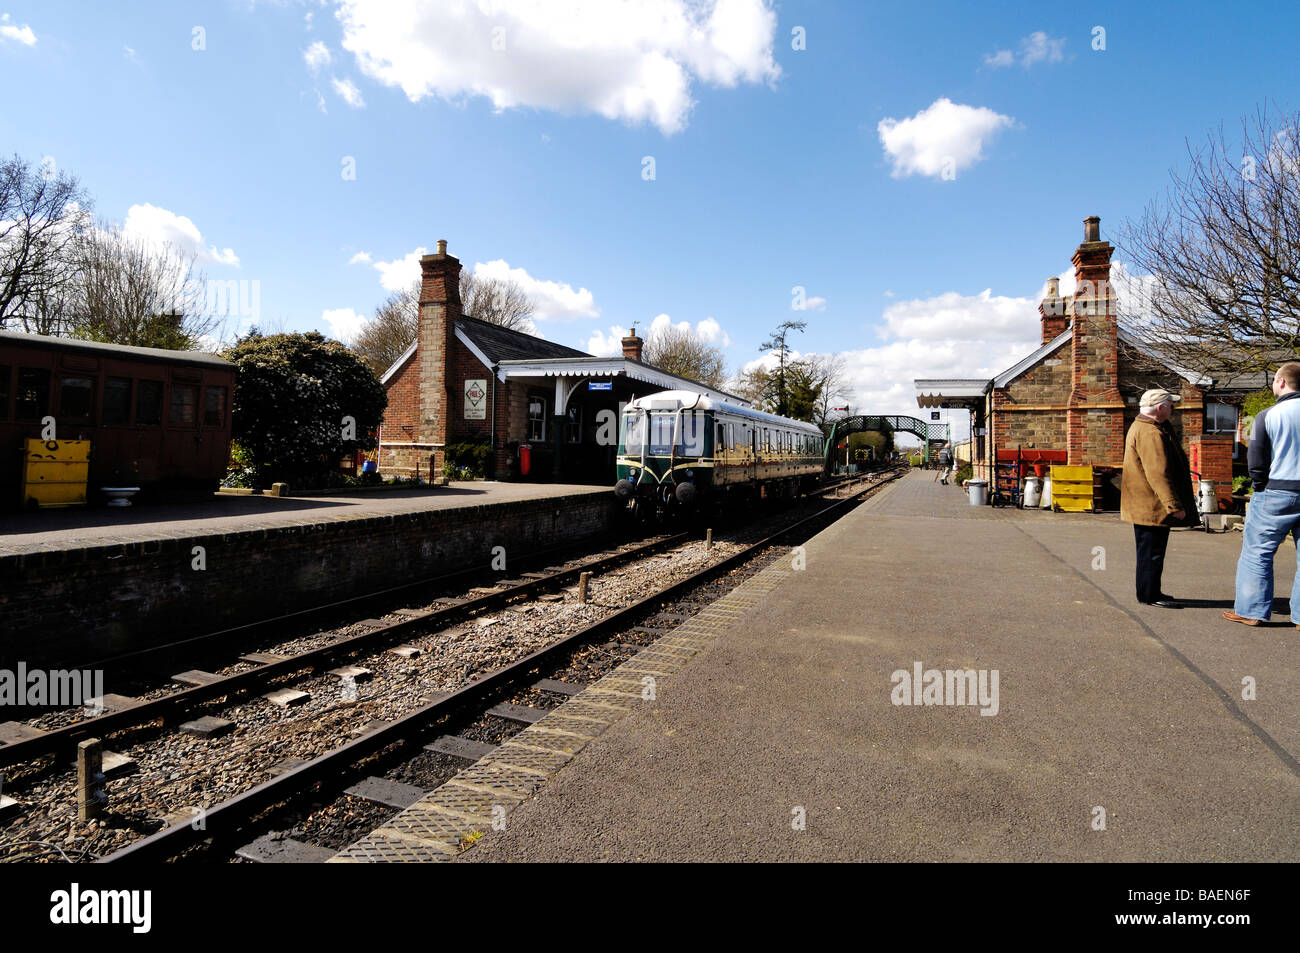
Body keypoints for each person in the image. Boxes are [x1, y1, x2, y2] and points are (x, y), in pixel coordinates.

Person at [1224, 362, 1300, 626]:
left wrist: (1259, 487)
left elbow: (1255, 460)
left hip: (1276, 490)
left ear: (1281, 382)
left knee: (1258, 552)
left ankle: (1252, 611)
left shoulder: (1267, 416)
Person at [1120, 388, 1198, 608]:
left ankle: (1152, 591)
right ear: (1161, 407)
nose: (1173, 408)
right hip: (1151, 506)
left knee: (1151, 552)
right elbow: (1158, 474)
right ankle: (1149, 595)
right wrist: (1174, 505)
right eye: (1171, 405)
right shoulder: (1150, 432)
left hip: (1147, 504)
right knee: (1151, 553)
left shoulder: (1148, 427)